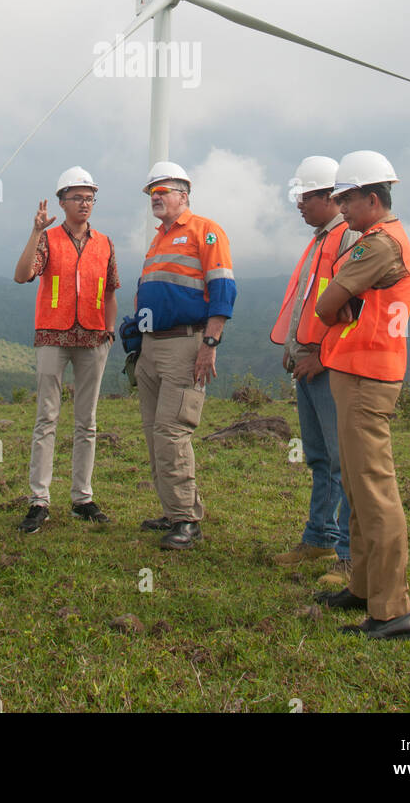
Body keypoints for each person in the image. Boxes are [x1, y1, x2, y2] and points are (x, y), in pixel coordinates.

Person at [313, 151, 410, 640]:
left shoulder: (377, 245)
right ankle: (362, 586)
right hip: (358, 370)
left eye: (347, 198)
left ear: (372, 198)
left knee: (374, 489)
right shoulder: (379, 240)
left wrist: (337, 311)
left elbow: (327, 301)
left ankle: (392, 610)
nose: (342, 208)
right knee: (357, 485)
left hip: (367, 375)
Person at [134, 161, 236, 550]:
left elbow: (223, 290)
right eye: (151, 193)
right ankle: (174, 508)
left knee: (172, 431)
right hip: (150, 345)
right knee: (153, 431)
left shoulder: (206, 231)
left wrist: (210, 344)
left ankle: (186, 522)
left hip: (185, 344)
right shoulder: (159, 237)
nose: (156, 198)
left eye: (163, 191)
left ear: (184, 194)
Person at [13, 168, 119, 533]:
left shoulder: (104, 242)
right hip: (53, 336)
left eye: (89, 197)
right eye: (77, 197)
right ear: (62, 201)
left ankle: (82, 498)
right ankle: (39, 500)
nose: (84, 203)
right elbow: (23, 275)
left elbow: (110, 291)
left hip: (93, 338)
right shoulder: (48, 239)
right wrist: (36, 231)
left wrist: (108, 330)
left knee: (87, 421)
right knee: (47, 418)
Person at [270, 156, 358, 583]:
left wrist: (320, 356)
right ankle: (319, 538)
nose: (299, 205)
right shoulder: (320, 238)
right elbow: (309, 301)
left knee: (342, 461)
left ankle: (347, 554)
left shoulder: (346, 240)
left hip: (329, 364)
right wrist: (292, 346)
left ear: (330, 197)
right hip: (307, 360)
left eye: (306, 197)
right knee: (320, 457)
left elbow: (353, 311)